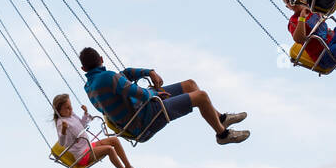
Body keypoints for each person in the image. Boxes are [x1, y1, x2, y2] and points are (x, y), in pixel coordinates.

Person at [79, 47, 249, 146]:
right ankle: (223, 135)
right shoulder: (107, 78)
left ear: (84, 69)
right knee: (201, 97)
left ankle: (220, 118)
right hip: (144, 118)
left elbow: (123, 75)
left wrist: (148, 72)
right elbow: (139, 93)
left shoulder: (91, 85)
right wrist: (154, 93)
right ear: (101, 58)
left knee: (190, 84)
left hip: (140, 111)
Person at [52, 93, 146, 168]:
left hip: (88, 146)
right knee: (109, 150)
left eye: (70, 105)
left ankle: (129, 167)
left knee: (114, 140)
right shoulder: (61, 123)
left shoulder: (71, 114)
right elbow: (62, 143)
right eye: (67, 108)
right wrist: (64, 130)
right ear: (59, 111)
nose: (71, 109)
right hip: (82, 155)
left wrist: (85, 113)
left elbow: (82, 125)